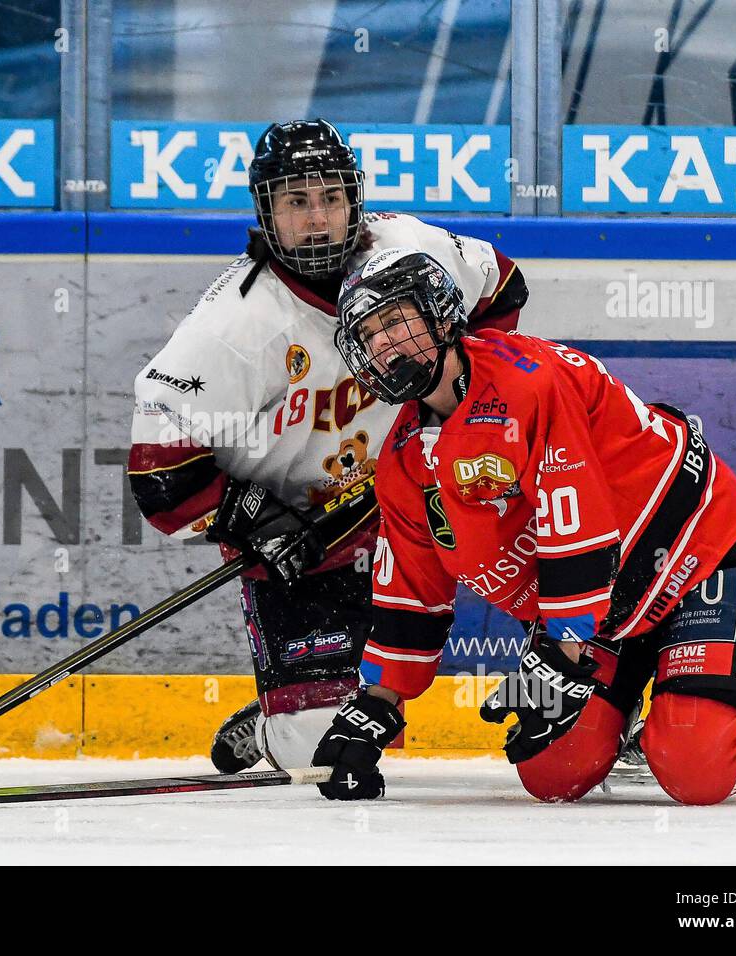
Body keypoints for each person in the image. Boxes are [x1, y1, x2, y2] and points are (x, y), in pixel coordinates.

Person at [312, 248, 736, 804]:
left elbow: (577, 524)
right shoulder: (401, 461)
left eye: (395, 321)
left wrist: (560, 656)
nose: (383, 345)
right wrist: (375, 707)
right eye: (368, 335)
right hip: (605, 609)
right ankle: (640, 700)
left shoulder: (528, 383)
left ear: (441, 314)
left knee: (697, 767)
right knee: (553, 775)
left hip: (703, 554)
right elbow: (411, 592)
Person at [128, 119, 528, 773]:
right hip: (315, 550)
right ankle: (269, 730)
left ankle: (610, 704)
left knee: (573, 560)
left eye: (331, 198)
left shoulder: (407, 246)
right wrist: (256, 514)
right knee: (326, 749)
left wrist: (451, 415)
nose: (317, 219)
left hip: (430, 500)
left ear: (355, 199)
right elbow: (159, 474)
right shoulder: (234, 324)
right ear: (266, 210)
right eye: (296, 201)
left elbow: (501, 288)